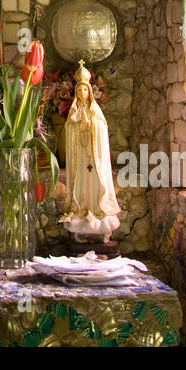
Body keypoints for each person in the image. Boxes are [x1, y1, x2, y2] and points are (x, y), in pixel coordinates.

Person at [60, 60, 121, 239]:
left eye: (85, 89)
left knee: (96, 185)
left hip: (94, 157)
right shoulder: (73, 112)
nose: (82, 92)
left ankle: (99, 213)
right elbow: (69, 129)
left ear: (89, 91)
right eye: (79, 90)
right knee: (81, 186)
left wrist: (91, 124)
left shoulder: (96, 112)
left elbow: (102, 128)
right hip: (80, 156)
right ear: (76, 92)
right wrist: (78, 125)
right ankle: (81, 212)